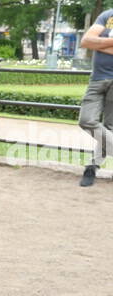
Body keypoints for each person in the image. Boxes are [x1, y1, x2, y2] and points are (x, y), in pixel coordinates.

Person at [77, 8, 113, 187]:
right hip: (97, 79)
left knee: (109, 127)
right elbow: (85, 41)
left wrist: (99, 43)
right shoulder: (108, 15)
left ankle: (92, 166)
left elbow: (93, 42)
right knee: (86, 120)